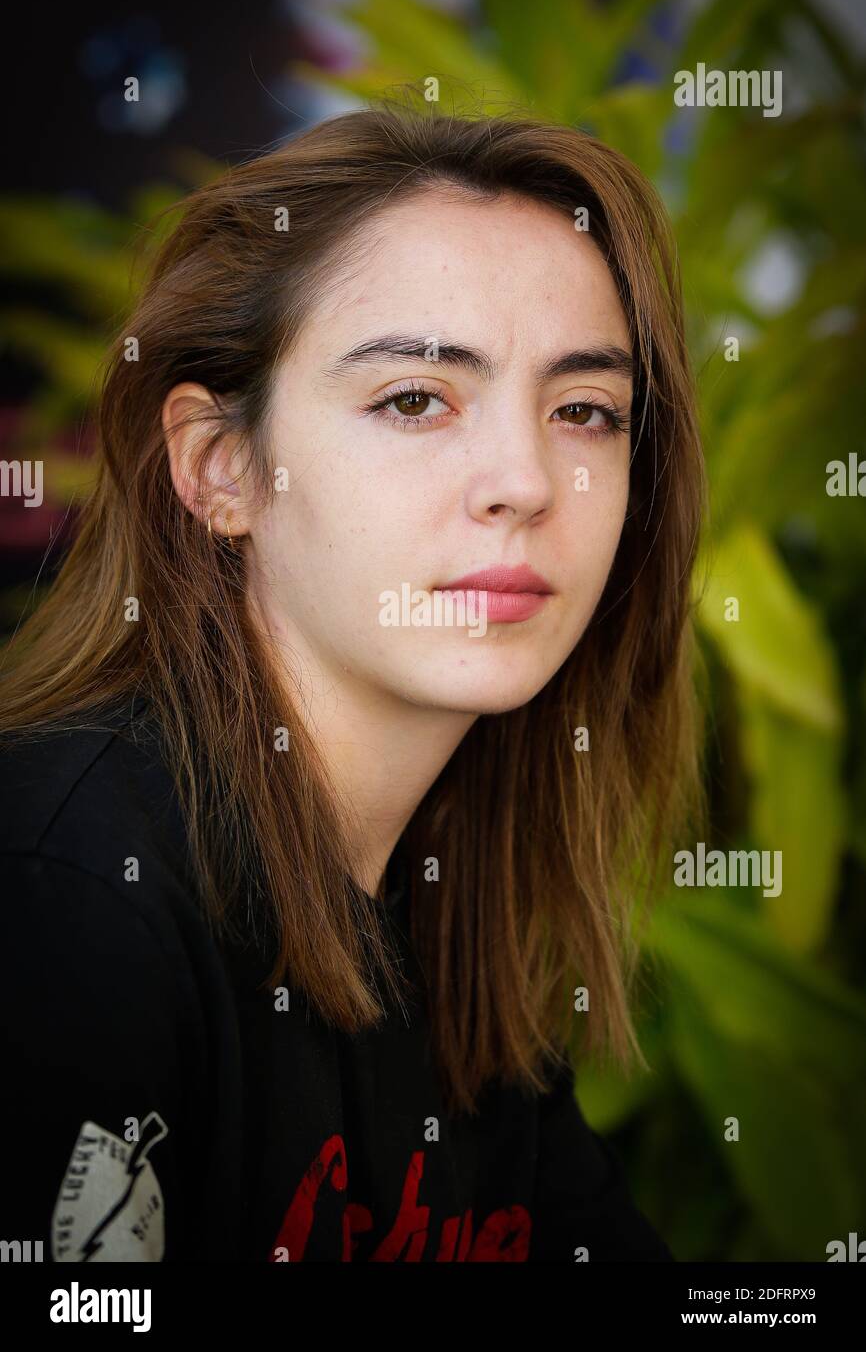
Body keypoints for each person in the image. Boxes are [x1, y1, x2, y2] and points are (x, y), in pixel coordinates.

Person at [0, 100, 705, 1263]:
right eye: (415, 399)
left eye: (584, 411)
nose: (524, 481)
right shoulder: (69, 896)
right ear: (220, 468)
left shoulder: (442, 922)